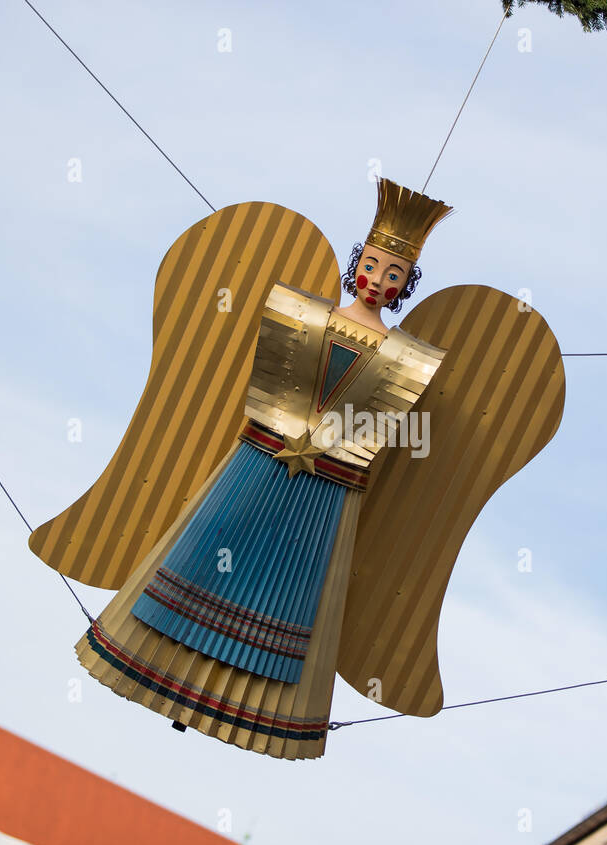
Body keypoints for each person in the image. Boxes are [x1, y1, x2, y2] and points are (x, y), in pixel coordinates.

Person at [73, 178, 454, 759]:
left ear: (407, 284)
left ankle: (245, 700)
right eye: (374, 265)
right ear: (358, 263)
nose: (379, 280)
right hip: (257, 463)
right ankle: (166, 663)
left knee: (295, 596)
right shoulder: (301, 314)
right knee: (203, 554)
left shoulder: (410, 359)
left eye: (393, 273)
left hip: (326, 494)